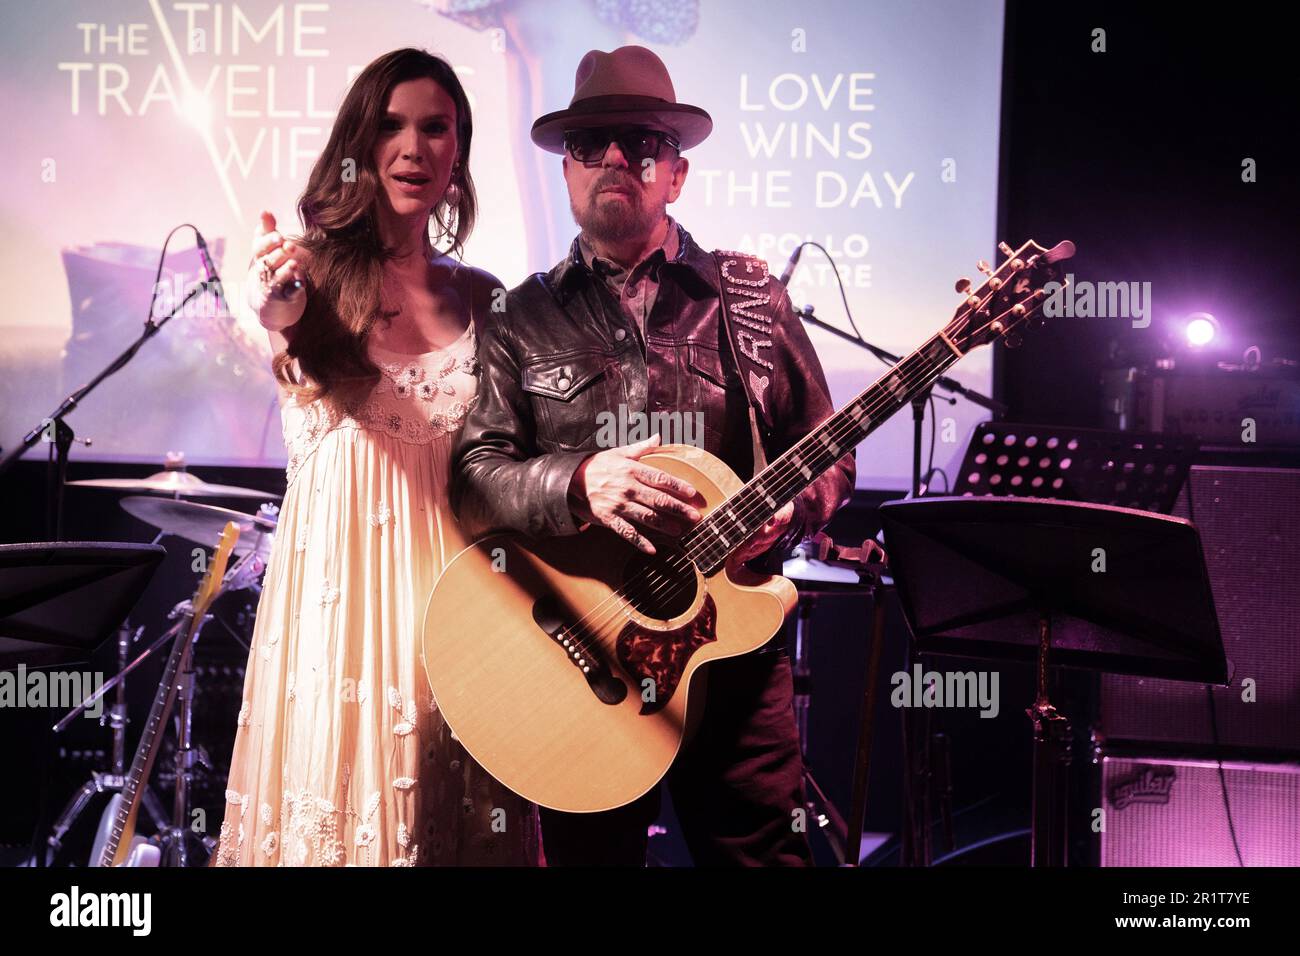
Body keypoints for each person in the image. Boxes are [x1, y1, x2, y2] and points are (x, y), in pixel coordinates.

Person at [451, 45, 855, 866]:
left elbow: (828, 453)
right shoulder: (518, 316)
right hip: (585, 665)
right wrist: (577, 480)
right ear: (565, 173)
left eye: (639, 143)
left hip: (734, 661)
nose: (612, 160)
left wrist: (794, 505)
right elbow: (474, 476)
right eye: (587, 144)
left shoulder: (750, 297)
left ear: (675, 174)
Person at [213, 48, 538, 867]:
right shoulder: (306, 275)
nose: (414, 147)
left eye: (437, 128)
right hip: (342, 633)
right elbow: (273, 313)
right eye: (391, 125)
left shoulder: (484, 295)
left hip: (465, 622)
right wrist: (274, 297)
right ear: (359, 140)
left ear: (458, 151)